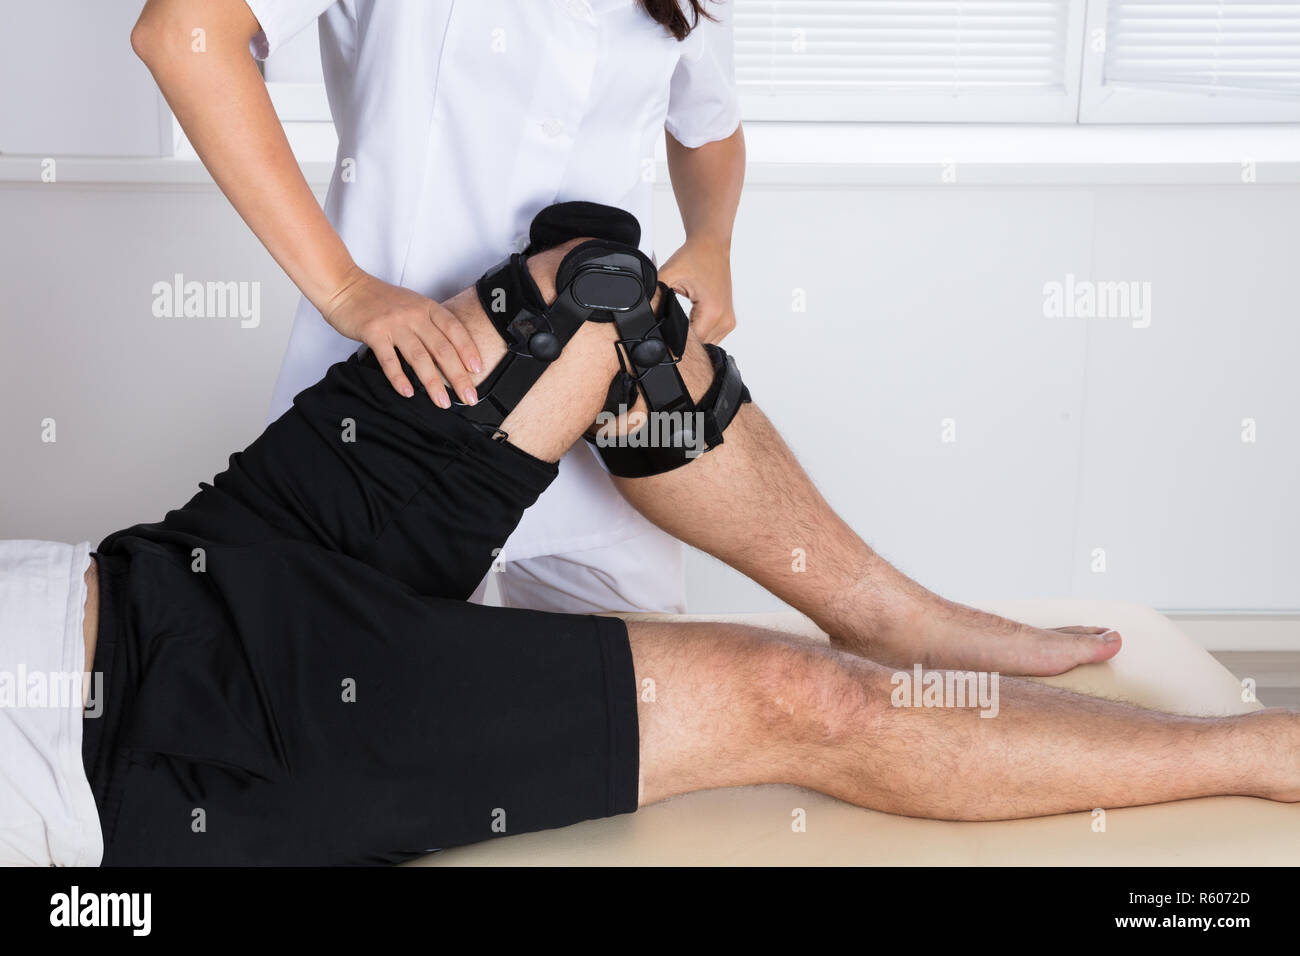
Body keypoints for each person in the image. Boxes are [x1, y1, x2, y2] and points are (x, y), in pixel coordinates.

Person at [4, 211, 1296, 866]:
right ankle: (1256, 752)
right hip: (169, 747)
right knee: (798, 695)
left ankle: (894, 612)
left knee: (591, 286)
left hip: (172, 569)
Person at [130, 0, 748, 616]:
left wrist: (713, 238)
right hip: (407, 398)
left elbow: (710, 124)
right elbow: (184, 31)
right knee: (368, 688)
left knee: (640, 699)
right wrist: (342, 287)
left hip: (598, 433)